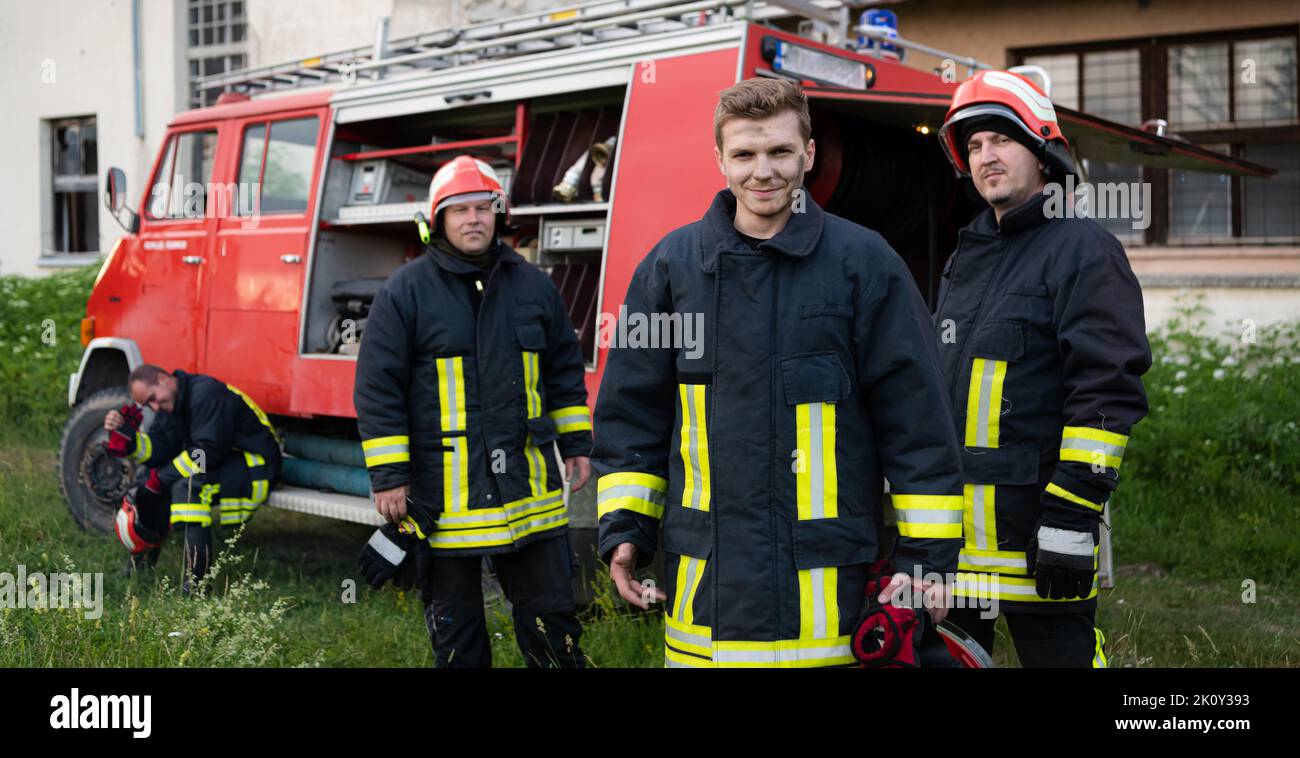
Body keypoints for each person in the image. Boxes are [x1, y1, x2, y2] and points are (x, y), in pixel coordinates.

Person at [591, 77, 965, 668]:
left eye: (779, 152)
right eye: (743, 154)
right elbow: (632, 417)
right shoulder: (670, 269)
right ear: (719, 158)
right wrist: (626, 530)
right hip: (703, 603)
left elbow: (917, 422)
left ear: (809, 154)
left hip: (825, 613)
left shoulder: (864, 265)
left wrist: (926, 561)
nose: (762, 172)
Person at [932, 70, 1152, 667]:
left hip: (1039, 534)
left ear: (1042, 149)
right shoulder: (966, 255)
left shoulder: (1083, 248)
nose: (985, 157)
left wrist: (1071, 515)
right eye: (973, 146)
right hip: (956, 543)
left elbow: (1106, 391)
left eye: (1000, 139)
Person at [354, 155, 593, 668]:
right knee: (457, 634)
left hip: (529, 497)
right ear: (436, 220)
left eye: (483, 207)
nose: (473, 219)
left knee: (554, 623)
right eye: (459, 210)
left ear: (498, 213)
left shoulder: (533, 286)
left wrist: (576, 444)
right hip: (446, 503)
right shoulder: (405, 292)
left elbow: (563, 370)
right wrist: (391, 476)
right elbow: (378, 388)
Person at [105, 365, 281, 593]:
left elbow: (207, 451)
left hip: (255, 464)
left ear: (163, 379)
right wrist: (130, 440)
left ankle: (197, 584)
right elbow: (159, 448)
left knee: (186, 488)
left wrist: (162, 479)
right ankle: (141, 567)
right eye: (148, 404)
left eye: (153, 399)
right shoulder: (171, 405)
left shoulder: (206, 393)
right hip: (225, 459)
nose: (154, 407)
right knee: (145, 480)